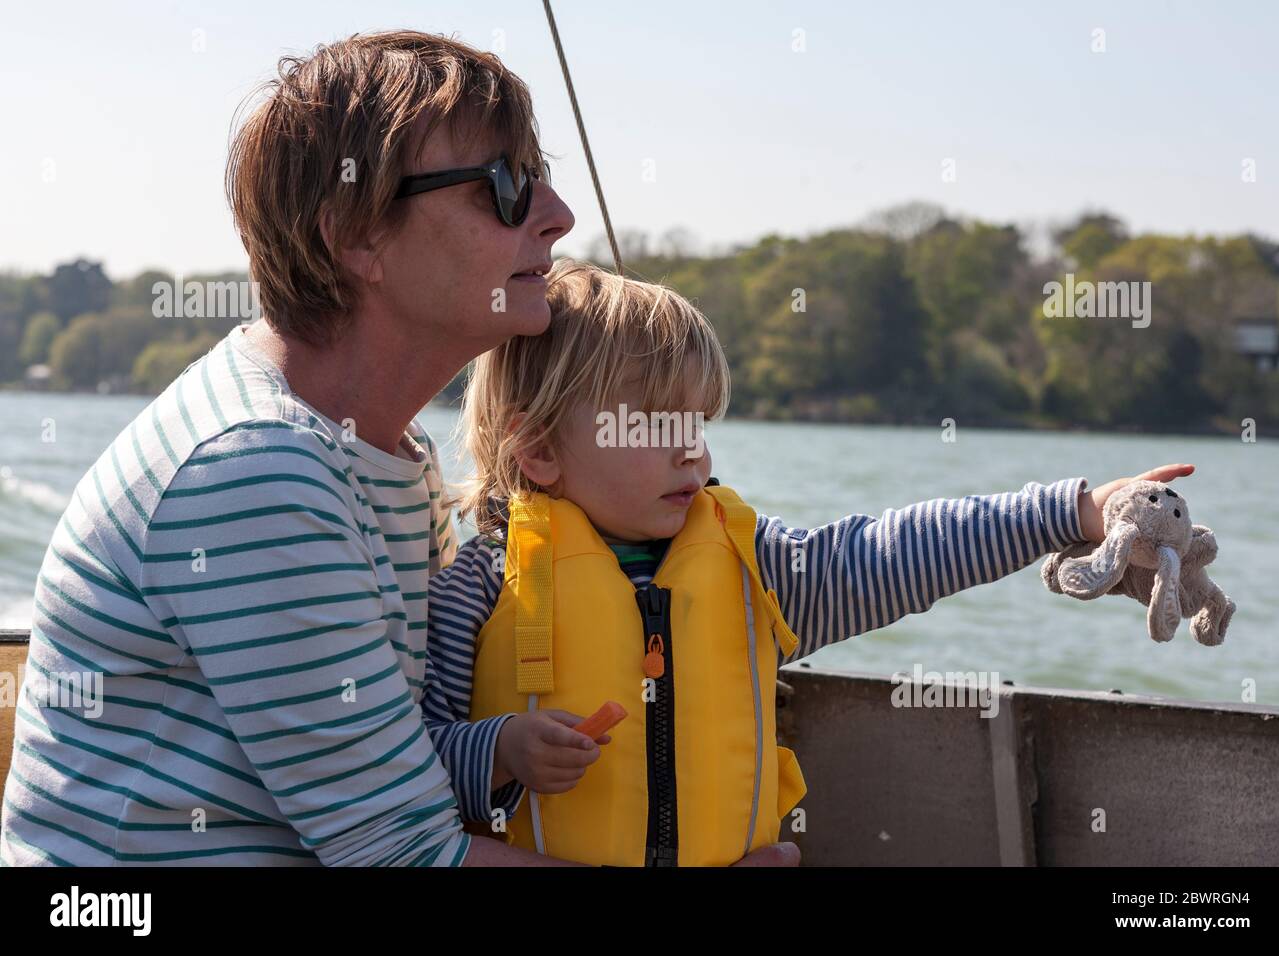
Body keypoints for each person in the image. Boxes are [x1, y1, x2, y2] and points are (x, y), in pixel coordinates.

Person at [1, 31, 810, 867]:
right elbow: (402, 857)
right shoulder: (257, 469)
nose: (557, 215)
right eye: (505, 185)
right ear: (358, 236)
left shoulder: (388, 453)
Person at [421, 260, 1196, 866]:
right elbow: (409, 768)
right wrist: (498, 751)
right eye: (655, 423)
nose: (695, 449)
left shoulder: (756, 567)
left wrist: (1073, 511)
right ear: (541, 449)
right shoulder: (477, 589)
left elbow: (896, 554)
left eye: (699, 420)